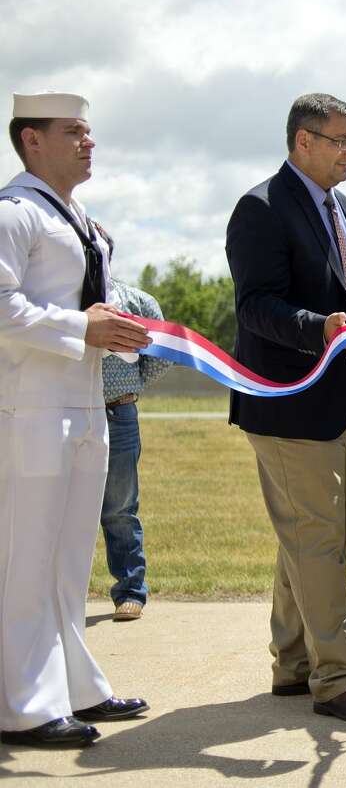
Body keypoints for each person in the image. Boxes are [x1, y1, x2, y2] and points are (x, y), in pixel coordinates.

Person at [225, 92, 346, 724]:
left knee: (311, 540)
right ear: (304, 141)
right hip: (290, 405)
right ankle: (337, 676)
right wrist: (317, 329)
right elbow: (255, 306)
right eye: (342, 140)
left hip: (345, 404)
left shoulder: (345, 208)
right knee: (318, 540)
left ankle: (295, 662)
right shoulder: (260, 209)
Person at [0, 92, 150, 748]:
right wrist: (81, 327)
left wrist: (115, 330)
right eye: (73, 132)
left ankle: (73, 685)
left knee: (68, 561)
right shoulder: (14, 213)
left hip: (85, 401)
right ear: (31, 139)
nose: (88, 143)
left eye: (89, 132)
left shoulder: (80, 220)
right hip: (31, 405)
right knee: (25, 560)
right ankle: (21, 705)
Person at [99, 277, 173, 622]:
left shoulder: (136, 302)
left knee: (120, 507)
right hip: (65, 411)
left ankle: (130, 591)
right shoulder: (60, 302)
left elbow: (161, 356)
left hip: (119, 411)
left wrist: (132, 384)